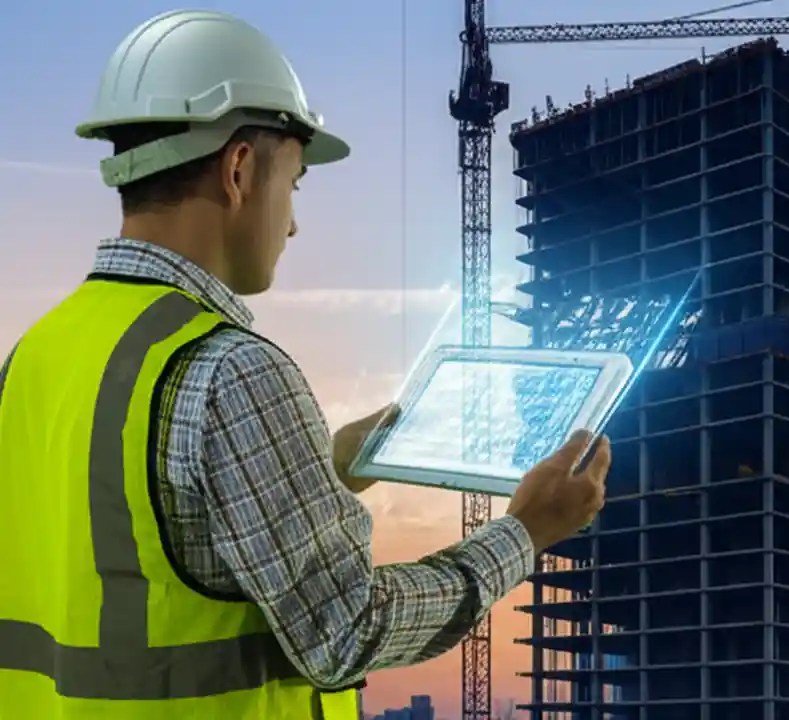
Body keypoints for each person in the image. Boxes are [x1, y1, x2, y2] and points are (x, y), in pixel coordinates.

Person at [0, 9, 610, 720]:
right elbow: (349, 629)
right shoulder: (232, 369)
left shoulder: (36, 354)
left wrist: (318, 471)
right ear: (239, 169)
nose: (292, 222)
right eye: (294, 184)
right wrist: (527, 532)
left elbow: (126, 544)